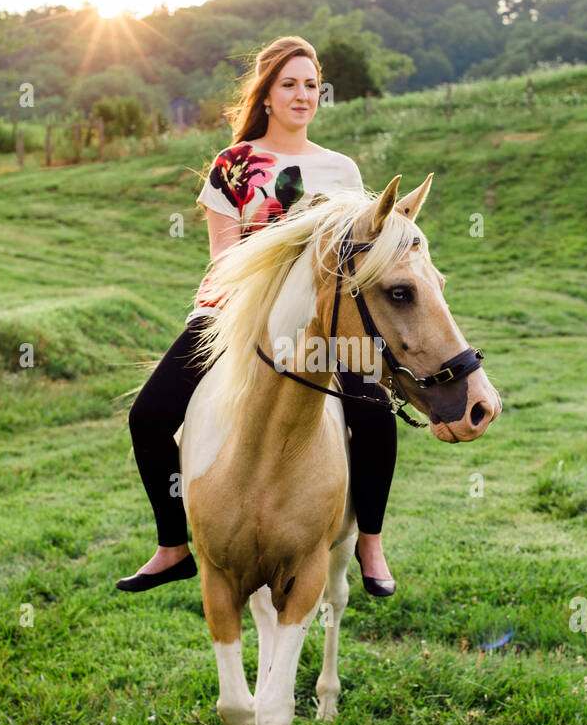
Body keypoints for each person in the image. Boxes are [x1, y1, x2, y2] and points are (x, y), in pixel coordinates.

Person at [116, 36, 397, 598]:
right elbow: (223, 256)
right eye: (288, 84)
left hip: (323, 319)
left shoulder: (341, 170)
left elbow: (358, 252)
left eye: (311, 85)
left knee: (373, 411)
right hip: (232, 313)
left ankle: (369, 540)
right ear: (266, 95)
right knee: (148, 417)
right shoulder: (233, 166)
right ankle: (173, 545)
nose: (302, 95)